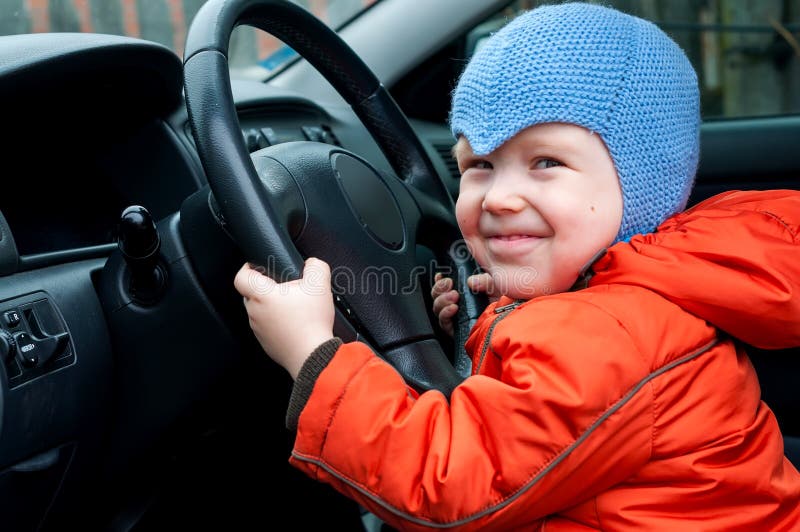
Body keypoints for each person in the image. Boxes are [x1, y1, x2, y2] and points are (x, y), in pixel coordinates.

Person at [234, 3, 800, 529]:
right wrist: (480, 328)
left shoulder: (606, 335)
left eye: (546, 161)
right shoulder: (619, 294)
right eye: (479, 163)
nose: (499, 198)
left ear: (640, 183)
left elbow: (446, 487)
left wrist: (312, 352)